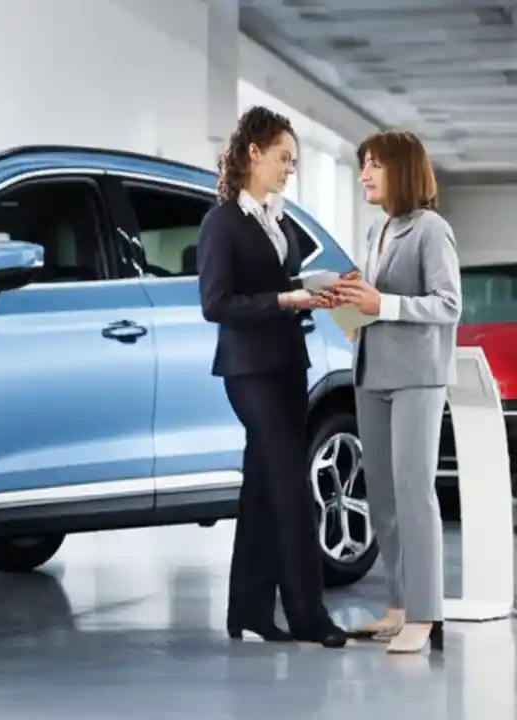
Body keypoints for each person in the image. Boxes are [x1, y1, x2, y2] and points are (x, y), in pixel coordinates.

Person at [197, 106, 348, 649]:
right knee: (290, 485)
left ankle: (250, 611)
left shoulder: (277, 219)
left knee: (262, 489)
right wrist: (285, 297)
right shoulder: (221, 222)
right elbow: (215, 303)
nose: (290, 168)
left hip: (288, 363)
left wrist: (310, 292)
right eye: (284, 157)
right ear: (253, 153)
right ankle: (310, 616)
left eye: (295, 160)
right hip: (249, 371)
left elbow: (275, 286)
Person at [329, 130, 459, 654]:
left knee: (414, 494)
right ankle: (400, 607)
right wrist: (344, 305)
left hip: (415, 378)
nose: (364, 174)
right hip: (372, 373)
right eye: (363, 165)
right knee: (382, 498)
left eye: (374, 165)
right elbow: (374, 304)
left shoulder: (432, 230)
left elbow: (447, 305)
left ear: (402, 170)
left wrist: (381, 304)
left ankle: (425, 617)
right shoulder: (378, 231)